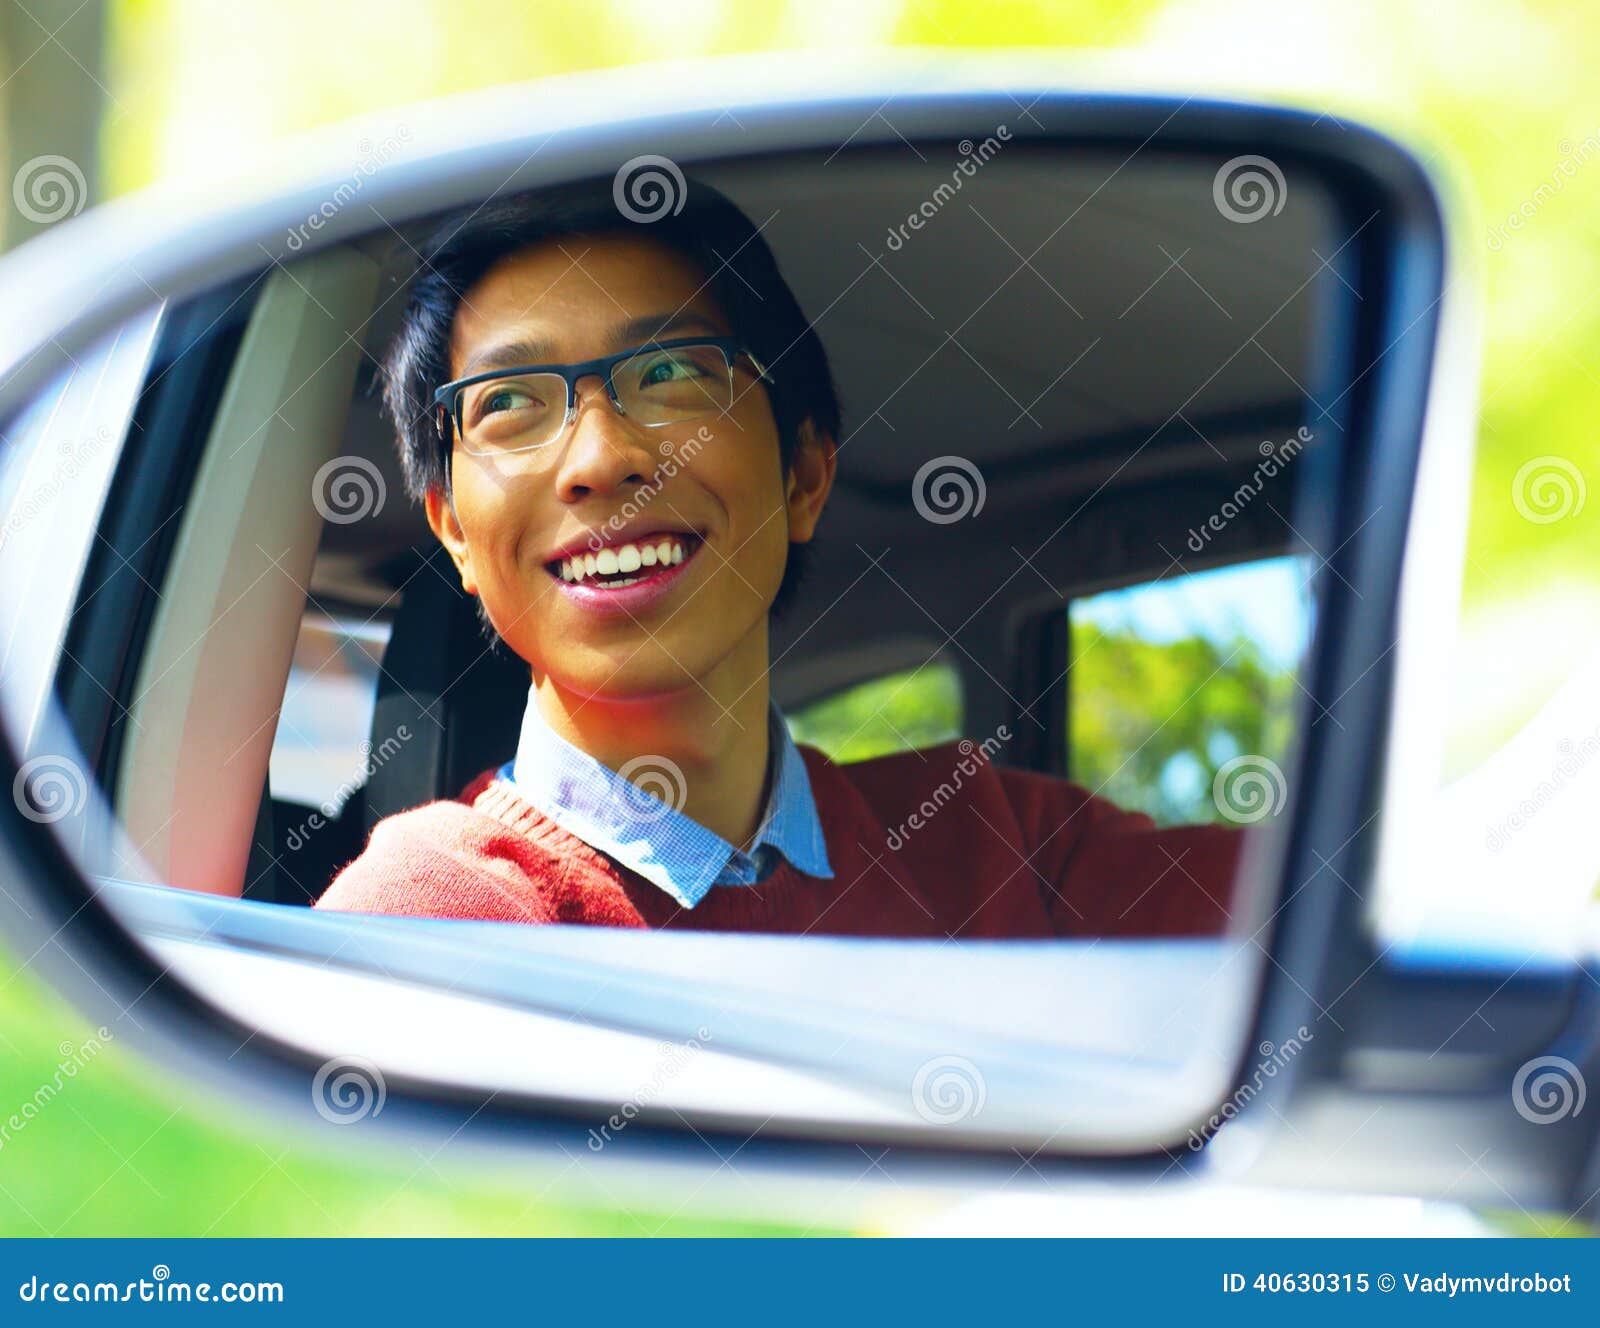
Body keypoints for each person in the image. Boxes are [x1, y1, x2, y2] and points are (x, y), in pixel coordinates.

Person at [315, 178, 1242, 937]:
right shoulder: (425, 918)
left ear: (802, 475)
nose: (598, 460)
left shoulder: (1003, 847)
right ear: (454, 530)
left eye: (670, 373)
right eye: (509, 403)